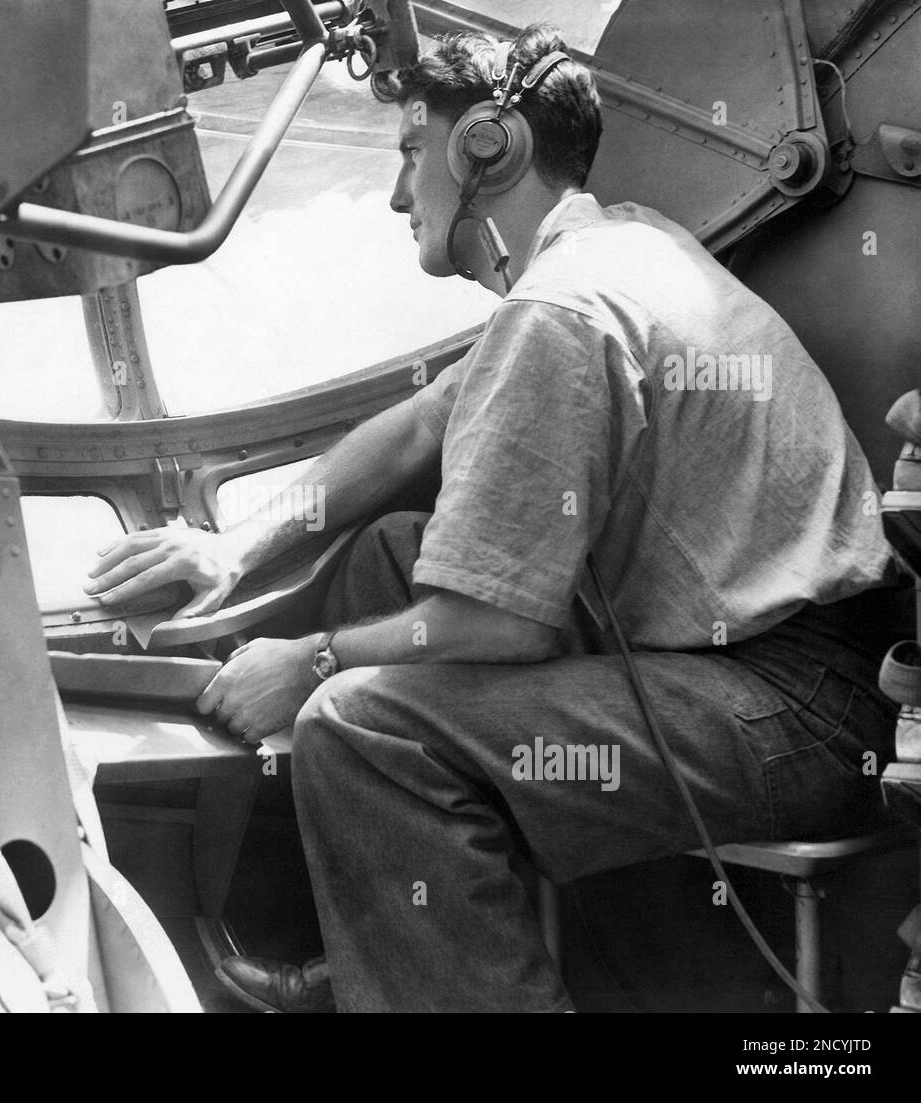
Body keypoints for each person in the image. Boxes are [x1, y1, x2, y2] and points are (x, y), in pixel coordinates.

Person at [84, 24, 907, 1012]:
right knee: (389, 555)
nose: (397, 195)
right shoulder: (624, 240)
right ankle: (403, 962)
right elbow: (421, 425)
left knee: (363, 728)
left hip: (790, 710)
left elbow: (497, 627)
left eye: (407, 153)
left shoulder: (559, 308)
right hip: (786, 677)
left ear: (484, 145)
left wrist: (307, 661)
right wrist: (231, 546)